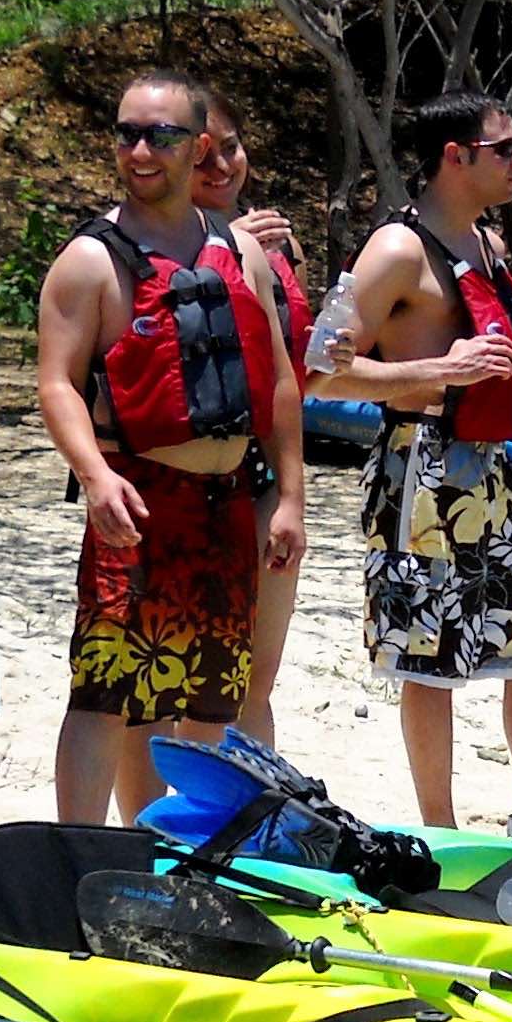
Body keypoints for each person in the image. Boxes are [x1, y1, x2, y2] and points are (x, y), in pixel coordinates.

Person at [36, 73, 306, 820]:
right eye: (127, 134)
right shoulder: (92, 260)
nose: (141, 150)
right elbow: (57, 384)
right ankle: (85, 848)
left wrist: (289, 497)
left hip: (223, 509)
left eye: (162, 135)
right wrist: (92, 476)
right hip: (138, 501)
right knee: (105, 691)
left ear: (202, 147)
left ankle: (197, 853)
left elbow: (280, 381)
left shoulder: (241, 253)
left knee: (216, 697)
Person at [313, 90, 512, 826]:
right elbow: (322, 371)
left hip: (489, 469)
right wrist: (435, 373)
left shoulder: (487, 245)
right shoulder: (397, 249)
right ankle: (439, 826)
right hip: (418, 468)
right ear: (455, 158)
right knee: (427, 661)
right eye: (504, 150)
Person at [185, 96, 311, 748]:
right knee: (169, 678)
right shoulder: (145, 243)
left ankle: (247, 822)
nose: (220, 165)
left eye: (230, 147)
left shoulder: (273, 251)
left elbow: (295, 373)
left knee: (255, 679)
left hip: (263, 477)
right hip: (179, 482)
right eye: (202, 152)